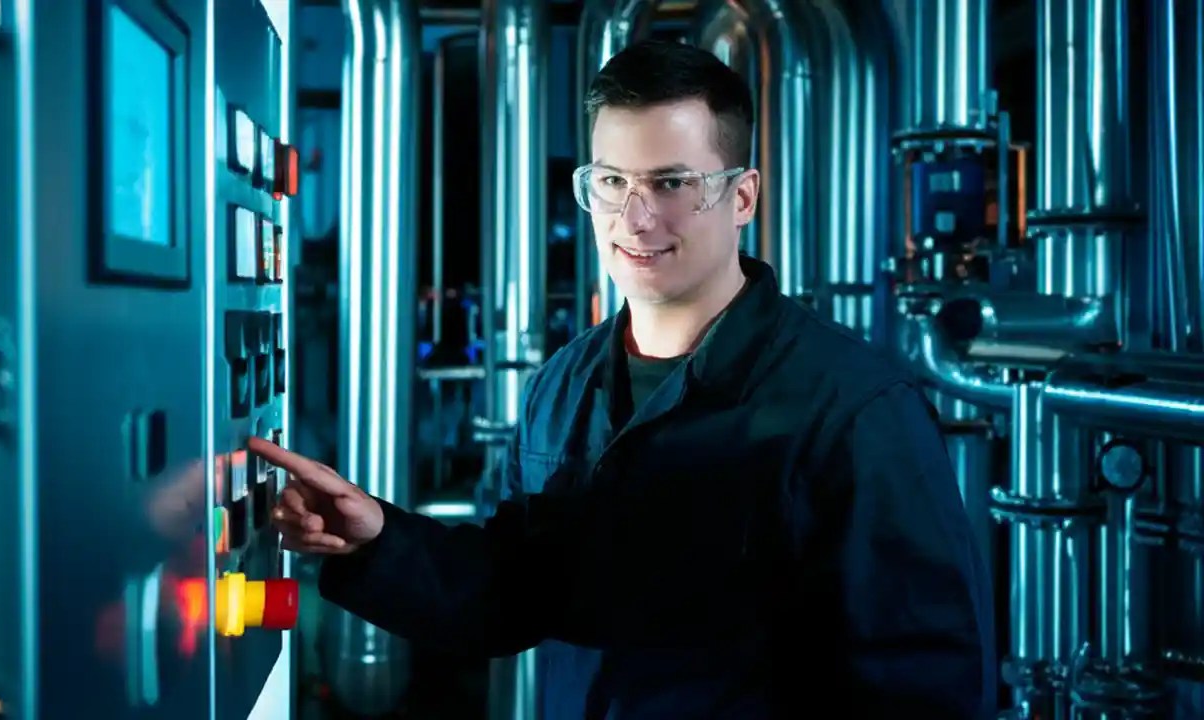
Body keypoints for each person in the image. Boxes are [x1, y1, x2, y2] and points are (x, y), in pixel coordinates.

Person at [253, 40, 996, 719]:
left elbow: (923, 693)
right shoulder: (565, 385)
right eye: (611, 180)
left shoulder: (855, 409)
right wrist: (377, 538)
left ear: (742, 197)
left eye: (671, 182)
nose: (635, 219)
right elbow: (517, 591)